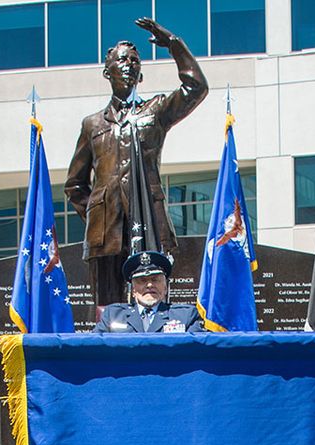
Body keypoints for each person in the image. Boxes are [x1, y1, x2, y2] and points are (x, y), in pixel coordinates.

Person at [64, 18, 207, 309]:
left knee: (153, 303)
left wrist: (173, 44)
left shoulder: (155, 111)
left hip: (150, 223)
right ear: (107, 72)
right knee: (108, 311)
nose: (129, 64)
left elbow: (196, 87)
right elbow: (75, 184)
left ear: (141, 76)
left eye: (134, 61)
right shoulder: (92, 124)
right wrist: (97, 215)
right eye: (121, 60)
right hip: (106, 234)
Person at [93, 251, 205, 333]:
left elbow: (198, 352)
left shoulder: (185, 316)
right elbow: (93, 349)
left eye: (155, 280)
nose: (150, 285)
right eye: (142, 281)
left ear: (165, 287)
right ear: (133, 290)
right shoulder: (113, 315)